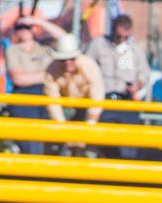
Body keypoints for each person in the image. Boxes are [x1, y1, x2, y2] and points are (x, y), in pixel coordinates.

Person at [86, 14, 150, 157]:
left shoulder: (133, 49)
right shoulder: (98, 44)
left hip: (125, 100)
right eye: (118, 36)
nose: (122, 40)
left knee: (130, 141)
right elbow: (86, 67)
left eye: (125, 37)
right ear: (113, 31)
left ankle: (126, 173)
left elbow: (143, 73)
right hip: (103, 100)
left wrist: (137, 86)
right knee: (100, 141)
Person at [5, 15, 64, 154]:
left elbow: (65, 39)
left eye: (27, 26)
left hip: (47, 95)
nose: (24, 30)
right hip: (24, 97)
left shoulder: (44, 48)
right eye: (20, 27)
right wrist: (48, 75)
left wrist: (39, 22)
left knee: (54, 140)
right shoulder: (13, 50)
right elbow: (19, 79)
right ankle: (32, 175)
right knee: (30, 143)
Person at [44, 34, 105, 131]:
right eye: (63, 59)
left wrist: (90, 125)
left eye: (71, 58)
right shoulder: (52, 70)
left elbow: (97, 94)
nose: (67, 62)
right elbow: (52, 101)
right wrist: (62, 129)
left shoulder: (88, 65)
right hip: (64, 108)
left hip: (87, 107)